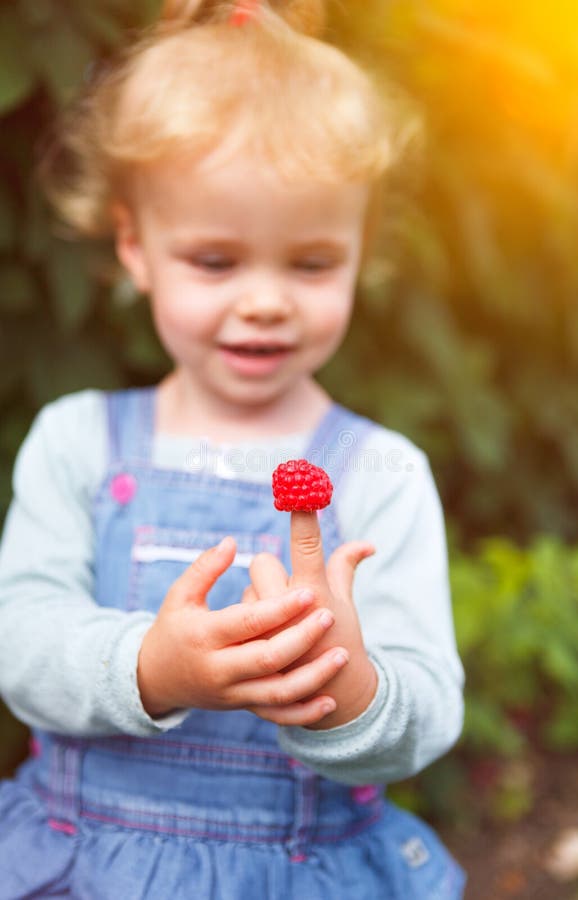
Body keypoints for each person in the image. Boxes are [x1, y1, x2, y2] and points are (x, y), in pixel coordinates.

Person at [0, 1, 466, 896]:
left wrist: (354, 688)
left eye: (310, 262)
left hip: (292, 871)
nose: (264, 302)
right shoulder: (79, 442)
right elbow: (23, 643)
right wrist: (152, 665)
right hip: (92, 865)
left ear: (361, 249)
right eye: (215, 261)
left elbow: (429, 711)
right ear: (137, 248)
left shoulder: (380, 473)